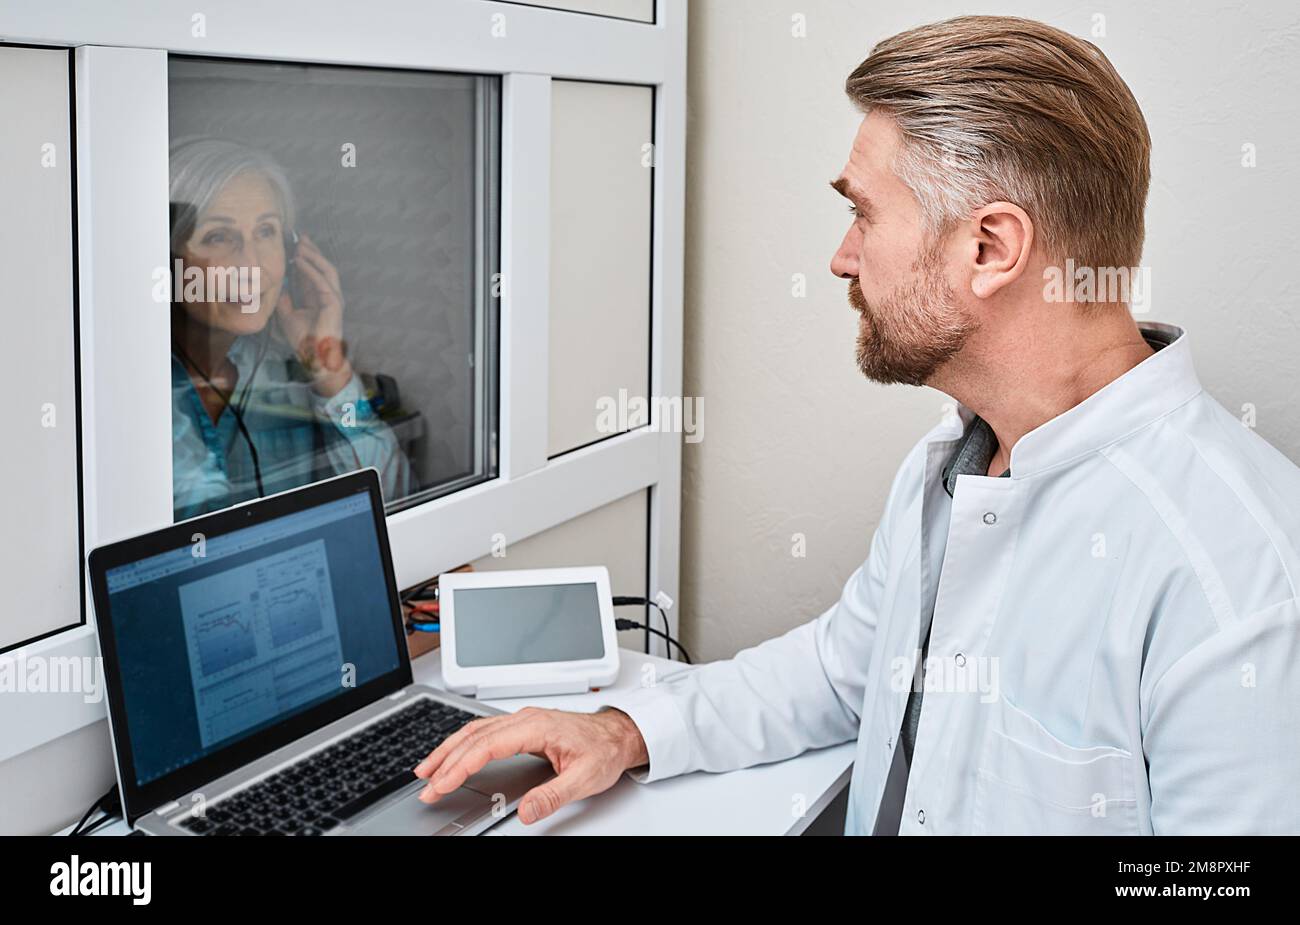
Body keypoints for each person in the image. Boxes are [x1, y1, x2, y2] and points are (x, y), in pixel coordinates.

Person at [413, 16, 1300, 834]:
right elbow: (841, 672)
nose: (841, 257)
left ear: (989, 248)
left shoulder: (1239, 576)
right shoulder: (953, 463)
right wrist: (620, 729)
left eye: (863, 213)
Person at [169, 137, 412, 521]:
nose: (253, 265)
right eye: (218, 237)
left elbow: (394, 501)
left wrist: (329, 370)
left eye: (266, 232)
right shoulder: (138, 391)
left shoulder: (284, 371)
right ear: (167, 260)